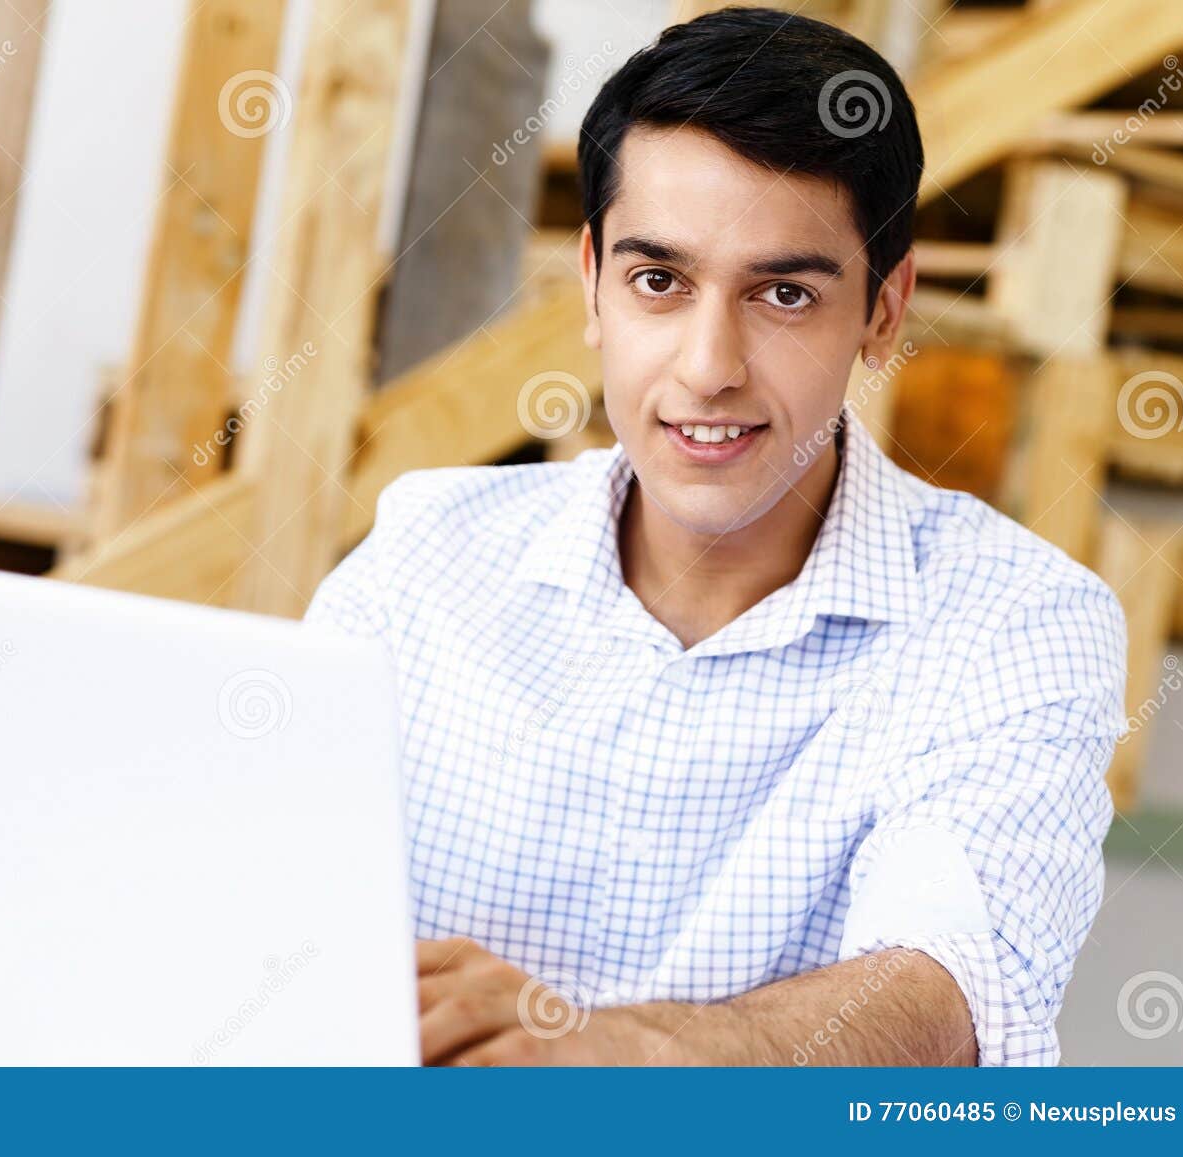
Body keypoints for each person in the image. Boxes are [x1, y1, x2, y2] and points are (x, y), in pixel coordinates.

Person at [305, 6, 1125, 1066]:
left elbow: (942, 997)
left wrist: (620, 1057)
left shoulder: (1013, 624)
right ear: (593, 283)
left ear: (883, 310)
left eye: (783, 293)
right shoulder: (425, 555)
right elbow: (265, 901)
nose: (707, 366)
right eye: (660, 281)